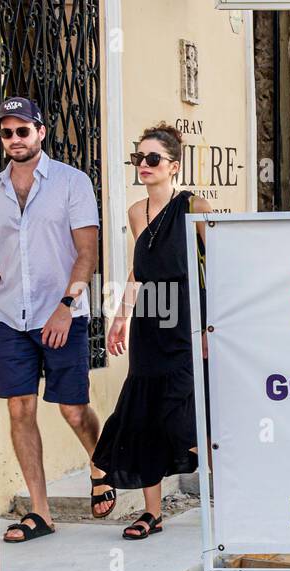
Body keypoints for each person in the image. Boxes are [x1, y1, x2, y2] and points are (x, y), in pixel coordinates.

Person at [0, 96, 106, 543]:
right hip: (10, 316)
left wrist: (67, 305)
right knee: (19, 408)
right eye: (7, 133)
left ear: (41, 132)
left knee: (71, 408)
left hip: (62, 311)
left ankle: (99, 462)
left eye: (22, 130)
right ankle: (41, 512)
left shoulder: (72, 182)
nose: (14, 139)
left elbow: (87, 251)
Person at [92, 123, 211, 540]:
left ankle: (228, 502)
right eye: (138, 158)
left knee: (185, 414)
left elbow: (219, 264)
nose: (144, 165)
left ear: (173, 166)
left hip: (186, 318)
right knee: (143, 413)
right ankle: (152, 513)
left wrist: (212, 326)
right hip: (149, 320)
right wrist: (120, 317)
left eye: (153, 158)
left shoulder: (194, 205)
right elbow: (138, 271)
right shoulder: (135, 212)